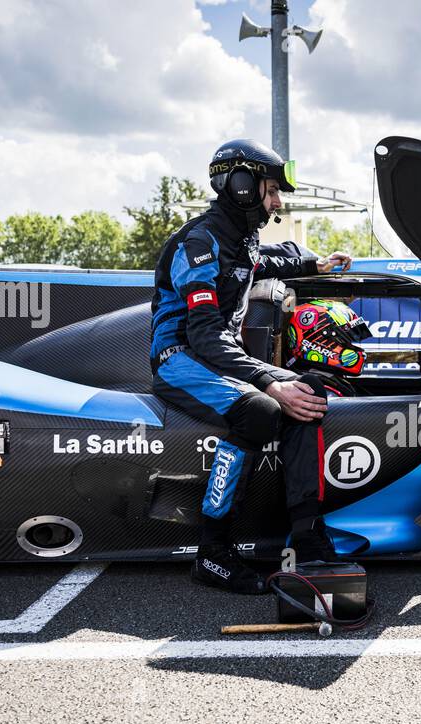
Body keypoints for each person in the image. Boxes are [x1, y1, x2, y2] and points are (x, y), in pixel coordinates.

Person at [150, 139, 352, 593]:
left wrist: (315, 262)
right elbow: (202, 335)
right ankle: (213, 551)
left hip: (215, 358)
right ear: (241, 186)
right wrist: (266, 381)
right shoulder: (199, 244)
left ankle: (306, 537)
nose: (278, 201)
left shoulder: (239, 239)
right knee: (261, 410)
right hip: (179, 359)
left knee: (310, 394)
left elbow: (267, 261)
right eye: (272, 190)